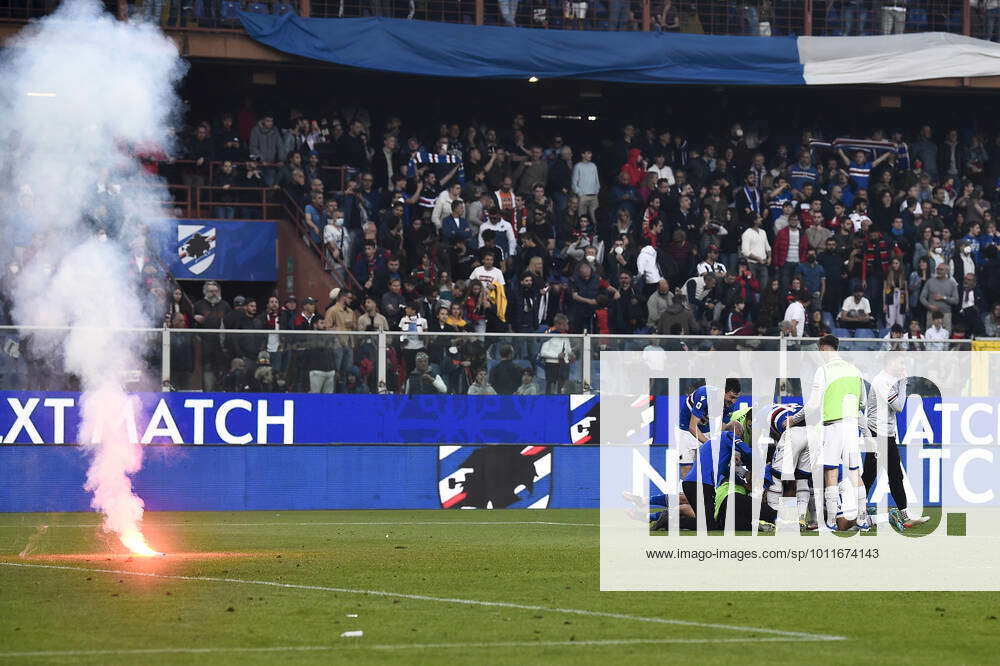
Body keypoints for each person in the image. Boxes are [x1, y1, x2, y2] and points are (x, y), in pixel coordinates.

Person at [789, 334, 868, 531]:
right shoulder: (855, 370)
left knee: (831, 472)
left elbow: (813, 404)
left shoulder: (823, 370)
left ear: (823, 348)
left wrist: (793, 419)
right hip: (852, 426)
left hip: (833, 427)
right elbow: (863, 403)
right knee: (855, 473)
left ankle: (831, 522)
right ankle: (862, 520)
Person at [864, 355, 929, 530]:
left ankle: (905, 516)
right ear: (890, 362)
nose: (903, 365)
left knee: (894, 475)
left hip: (887, 434)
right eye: (901, 362)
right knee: (871, 474)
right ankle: (854, 512)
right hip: (877, 434)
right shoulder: (881, 381)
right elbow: (899, 407)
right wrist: (903, 383)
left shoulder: (890, 381)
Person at [675, 379, 741, 479]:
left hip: (707, 430)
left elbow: (721, 429)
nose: (734, 401)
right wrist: (710, 444)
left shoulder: (729, 405)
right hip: (686, 431)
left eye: (736, 398)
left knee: (734, 426)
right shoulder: (704, 395)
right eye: (731, 397)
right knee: (687, 469)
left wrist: (728, 450)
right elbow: (692, 427)